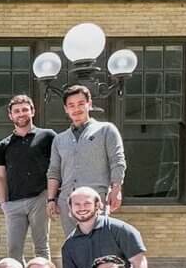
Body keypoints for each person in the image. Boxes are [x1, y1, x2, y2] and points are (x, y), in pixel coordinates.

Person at [47, 85, 127, 219]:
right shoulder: (59, 139)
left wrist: (116, 189)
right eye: (71, 105)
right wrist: (50, 199)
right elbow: (54, 171)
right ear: (66, 109)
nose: (76, 109)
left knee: (98, 239)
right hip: (68, 203)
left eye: (81, 104)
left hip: (96, 201)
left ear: (89, 104)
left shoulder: (106, 130)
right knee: (73, 240)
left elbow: (117, 161)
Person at [0, 96, 55, 261]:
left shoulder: (48, 137)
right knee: (14, 250)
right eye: (17, 111)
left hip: (39, 198)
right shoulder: (3, 145)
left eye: (25, 110)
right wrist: (3, 204)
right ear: (10, 115)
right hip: (13, 203)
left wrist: (51, 197)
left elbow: (57, 168)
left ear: (32, 111)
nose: (21, 114)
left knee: (41, 246)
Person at [61, 187, 147, 268]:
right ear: (70, 208)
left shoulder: (121, 230)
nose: (82, 208)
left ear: (97, 205)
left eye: (87, 203)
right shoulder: (69, 245)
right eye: (77, 204)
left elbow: (139, 263)